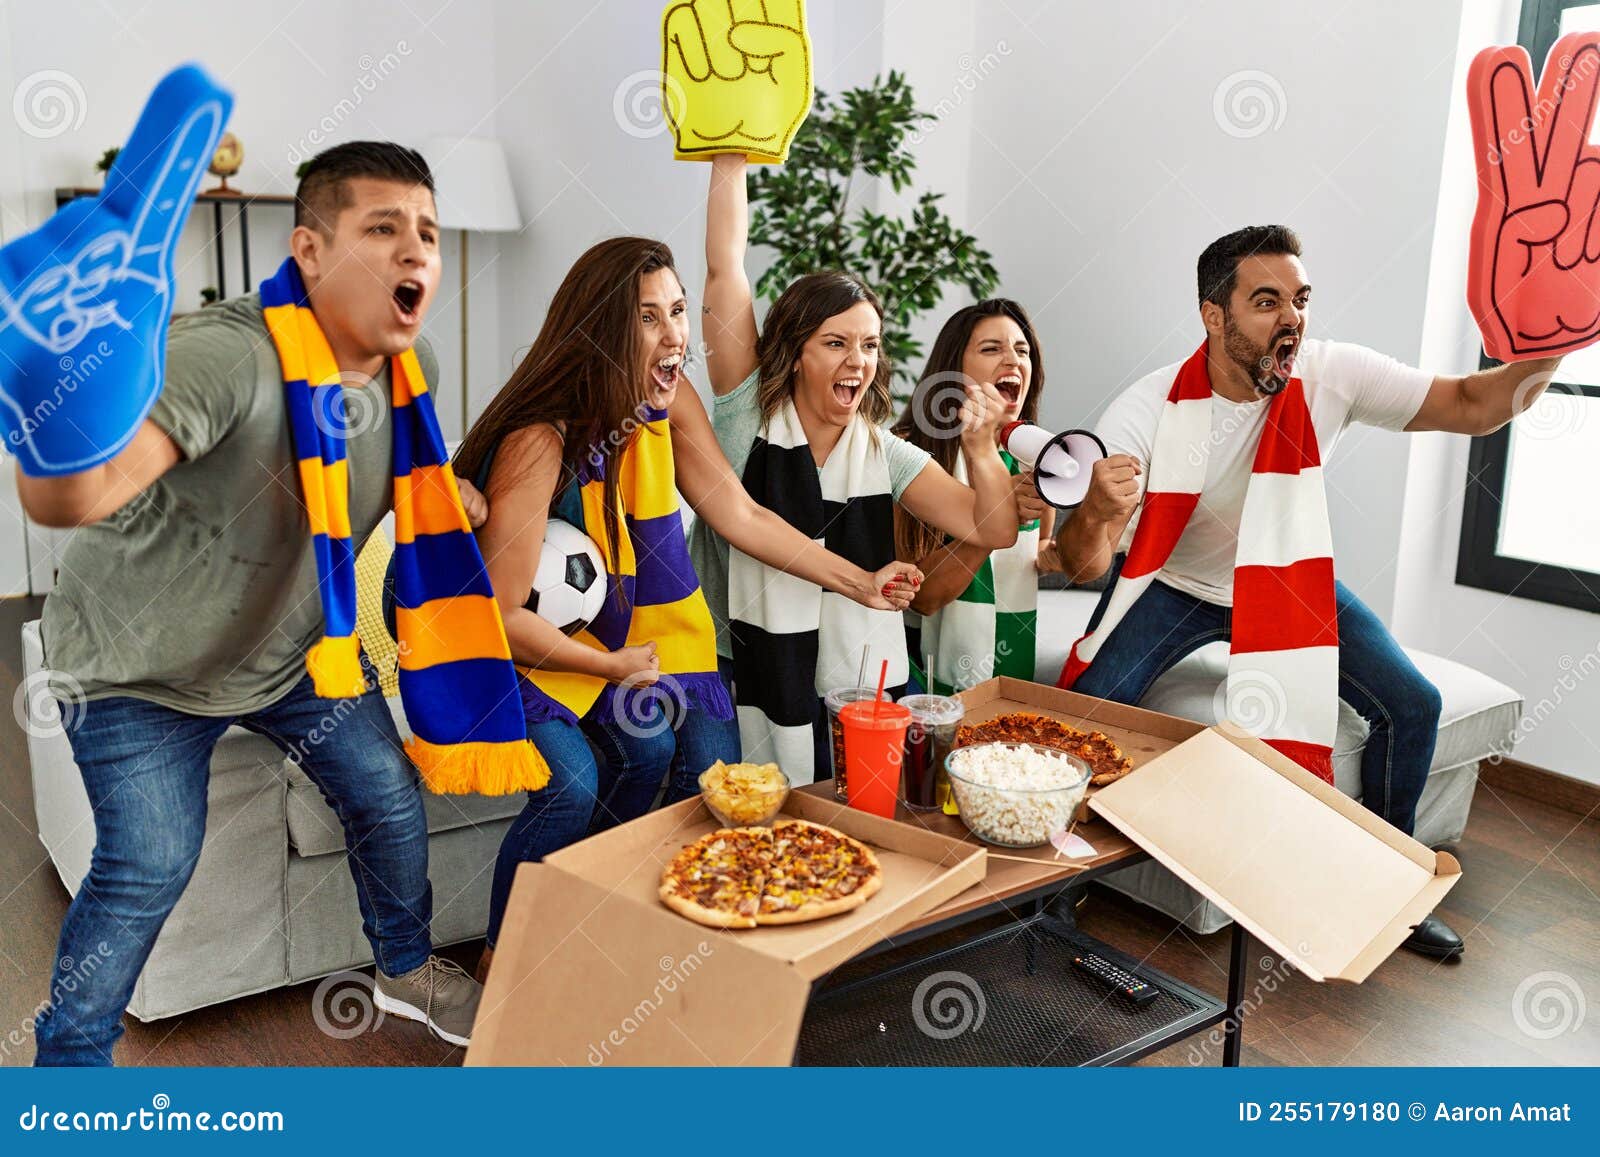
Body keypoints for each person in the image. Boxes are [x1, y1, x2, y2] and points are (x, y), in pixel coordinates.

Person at [15, 142, 491, 1062]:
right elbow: (90, 488)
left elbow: (393, 478)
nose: (415, 251)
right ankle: (67, 1065)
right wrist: (54, 442)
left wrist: (450, 496)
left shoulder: (410, 367)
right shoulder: (227, 357)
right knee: (150, 860)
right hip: (135, 671)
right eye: (382, 228)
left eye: (427, 232)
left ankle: (403, 969)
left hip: (291, 656)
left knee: (388, 796)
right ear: (309, 251)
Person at [1055, 224, 1563, 960]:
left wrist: (1557, 341)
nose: (1291, 317)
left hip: (1284, 578)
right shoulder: (1147, 407)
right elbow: (1082, 564)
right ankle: (1054, 888)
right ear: (1213, 315)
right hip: (1174, 584)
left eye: (1300, 299)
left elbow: (1474, 405)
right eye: (1266, 302)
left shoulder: (1331, 375)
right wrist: (1098, 510)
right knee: (1085, 711)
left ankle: (1390, 890)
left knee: (1413, 705)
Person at [456, 235, 921, 966]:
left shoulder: (667, 408)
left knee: (712, 775)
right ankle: (505, 954)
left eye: (677, 311)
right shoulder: (538, 442)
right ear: (601, 332)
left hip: (635, 634)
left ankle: (635, 933)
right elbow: (502, 617)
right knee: (584, 779)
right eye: (649, 318)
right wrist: (614, 669)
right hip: (521, 649)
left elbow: (741, 514)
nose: (677, 335)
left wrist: (858, 580)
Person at [686, 153, 1021, 782]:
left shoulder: (881, 451)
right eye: (836, 343)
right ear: (795, 353)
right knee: (716, 789)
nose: (858, 361)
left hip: (841, 666)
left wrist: (980, 449)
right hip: (724, 650)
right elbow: (725, 268)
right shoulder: (746, 409)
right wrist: (731, 154)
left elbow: (993, 528)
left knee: (847, 798)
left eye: (869, 345)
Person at [893, 299, 1057, 692]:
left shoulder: (1037, 457)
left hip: (1009, 664)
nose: (1013, 360)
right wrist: (999, 516)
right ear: (954, 369)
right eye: (991, 349)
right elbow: (922, 599)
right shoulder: (907, 452)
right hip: (915, 677)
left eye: (1022, 350)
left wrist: (1059, 554)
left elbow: (1042, 548)